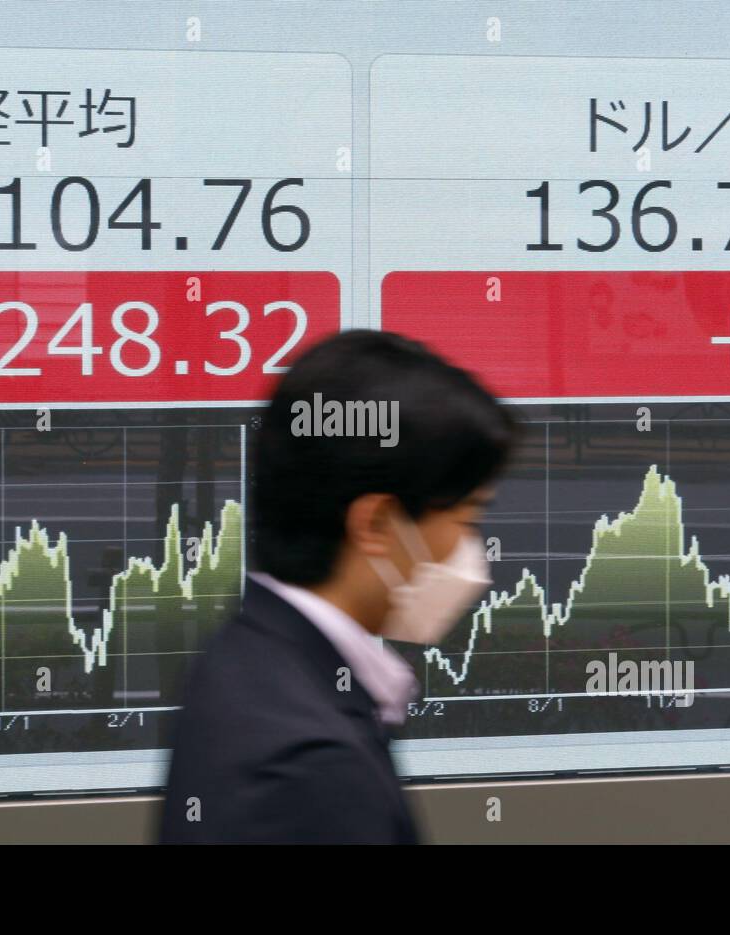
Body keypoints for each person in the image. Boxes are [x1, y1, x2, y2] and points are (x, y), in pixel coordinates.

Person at [158, 330, 515, 844]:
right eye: (467, 517)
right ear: (376, 524)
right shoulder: (316, 771)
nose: (471, 554)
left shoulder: (245, 658)